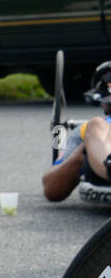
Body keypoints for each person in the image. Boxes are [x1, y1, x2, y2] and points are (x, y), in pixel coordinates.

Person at [43, 61, 111, 202]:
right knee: (95, 124)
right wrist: (82, 152)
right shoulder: (90, 128)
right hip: (102, 162)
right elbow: (52, 189)